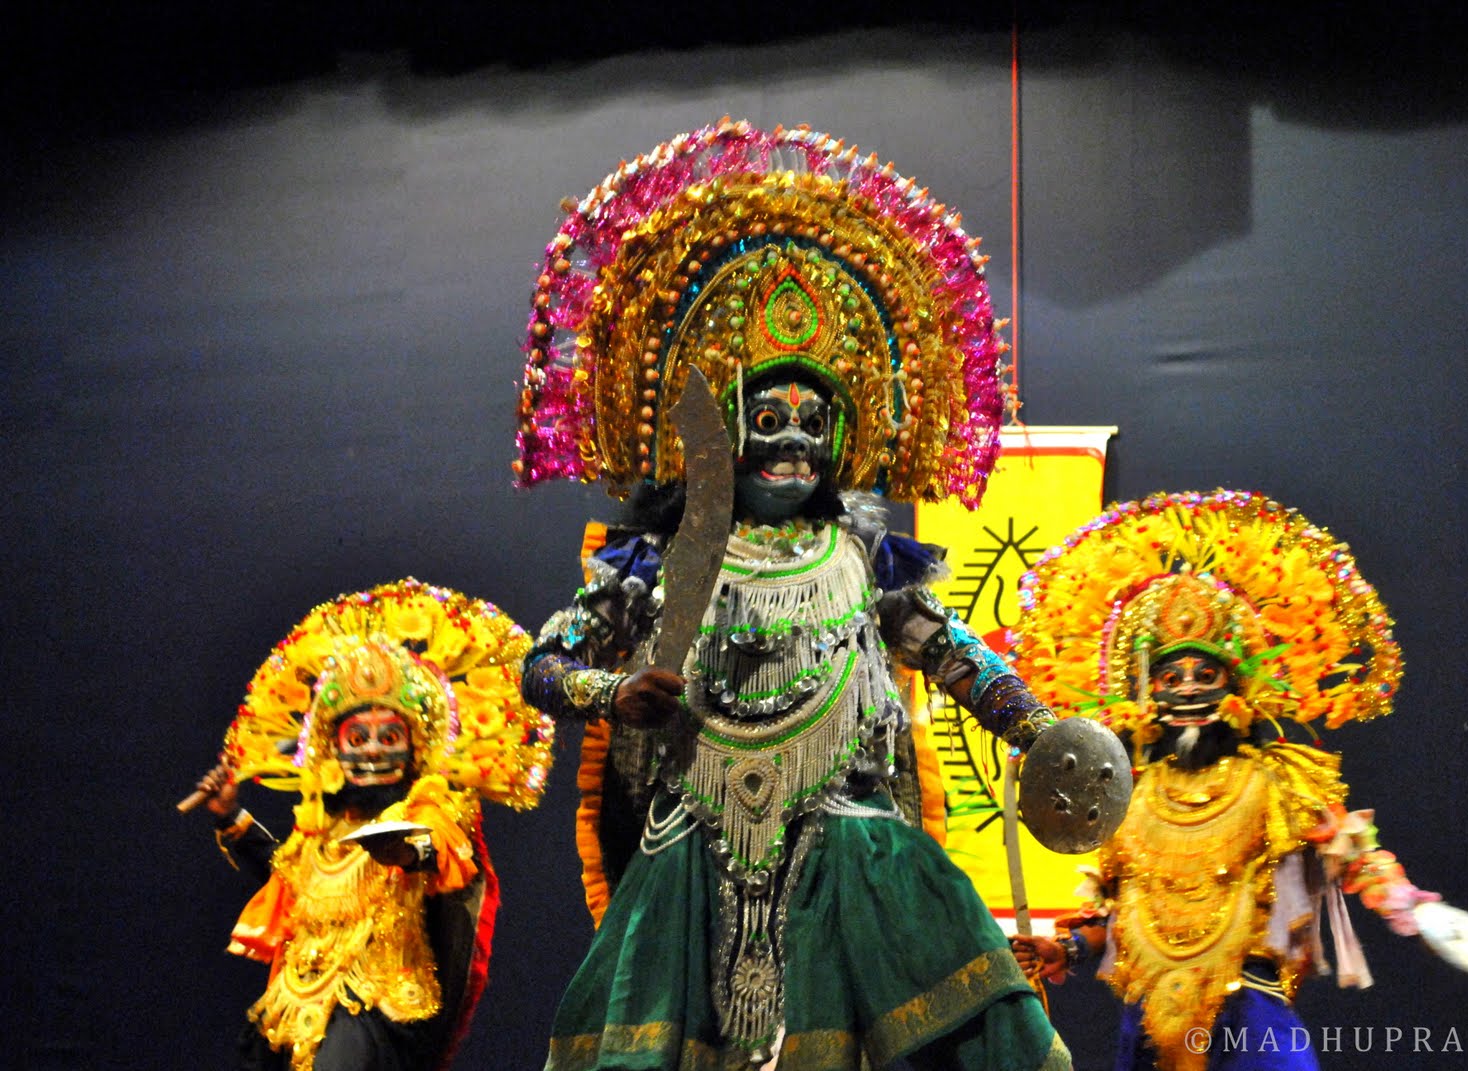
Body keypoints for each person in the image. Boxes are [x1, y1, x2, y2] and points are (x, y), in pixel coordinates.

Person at [513, 120, 1077, 1071]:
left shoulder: (866, 558)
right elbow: (541, 666)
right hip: (693, 854)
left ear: (842, 436)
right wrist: (612, 694)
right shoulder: (660, 562)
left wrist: (1043, 732)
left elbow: (951, 654)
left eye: (813, 423)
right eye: (767, 420)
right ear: (722, 433)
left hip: (847, 856)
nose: (793, 444)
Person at [1006, 489, 1468, 1071]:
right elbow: (1113, 907)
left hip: (1248, 1025)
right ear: (1146, 692)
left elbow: (1354, 855)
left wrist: (1414, 910)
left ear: (1238, 683)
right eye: (1170, 675)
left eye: (1205, 672)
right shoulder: (1133, 795)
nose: (1188, 688)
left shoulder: (1278, 783)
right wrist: (1061, 947)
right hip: (1144, 1034)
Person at [188, 580, 555, 1071]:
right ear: (334, 749)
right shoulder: (321, 829)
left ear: (415, 747)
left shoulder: (428, 807)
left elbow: (445, 855)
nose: (373, 749)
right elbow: (287, 884)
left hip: (378, 1004)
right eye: (357, 737)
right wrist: (231, 815)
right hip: (293, 1002)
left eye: (390, 736)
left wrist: (409, 853)